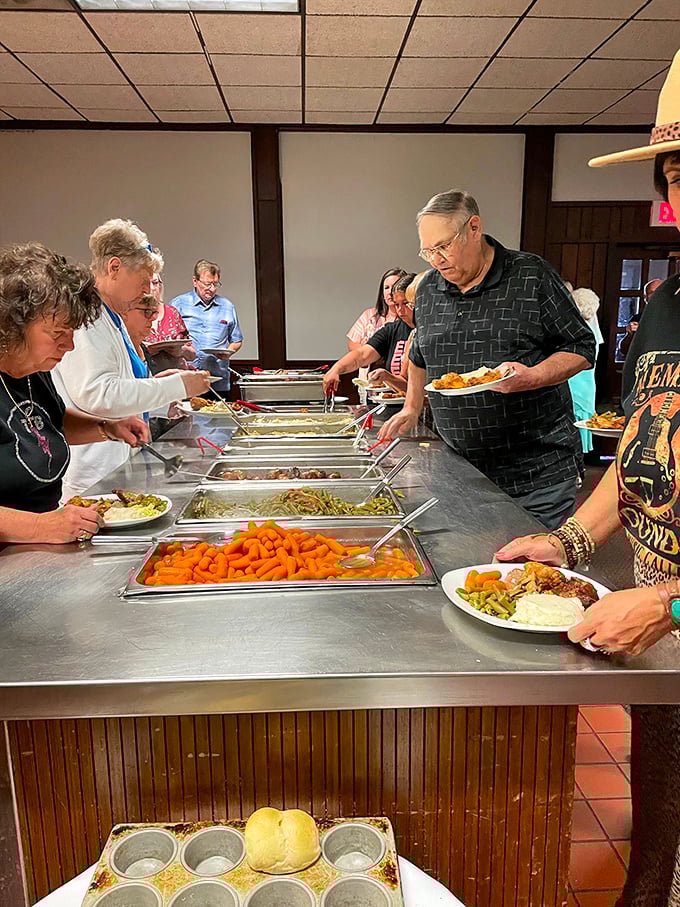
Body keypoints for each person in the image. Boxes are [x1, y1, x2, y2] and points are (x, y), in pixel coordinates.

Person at [496, 51, 680, 907]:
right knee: (658, 826)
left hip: (668, 610)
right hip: (657, 631)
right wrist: (568, 537)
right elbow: (644, 443)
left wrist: (673, 601)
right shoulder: (669, 301)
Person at [378, 189, 596, 530]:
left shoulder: (530, 275)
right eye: (428, 251)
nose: (436, 260)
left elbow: (582, 347)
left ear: (474, 228)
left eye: (444, 246)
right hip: (460, 473)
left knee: (531, 576)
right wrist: (411, 407)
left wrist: (534, 376)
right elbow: (420, 354)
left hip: (535, 476)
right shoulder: (430, 289)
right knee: (473, 573)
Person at [0, 243, 147, 544]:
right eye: (57, 334)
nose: (69, 346)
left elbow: (48, 423)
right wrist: (40, 528)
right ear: (11, 326)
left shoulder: (34, 371)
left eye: (72, 332)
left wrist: (106, 427)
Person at [53, 219, 210, 499]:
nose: (147, 291)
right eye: (143, 281)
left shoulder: (112, 318)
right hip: (91, 473)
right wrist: (178, 387)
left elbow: (124, 385)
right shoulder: (87, 319)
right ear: (114, 268)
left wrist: (162, 400)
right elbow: (98, 395)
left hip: (114, 462)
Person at [324, 273, 417, 397]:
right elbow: (362, 355)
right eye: (396, 304)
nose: (400, 310)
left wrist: (387, 377)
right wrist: (336, 369)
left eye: (406, 303)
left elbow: (416, 387)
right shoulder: (392, 329)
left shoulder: (427, 332)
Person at [169, 259, 243, 394]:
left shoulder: (227, 306)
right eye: (207, 284)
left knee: (216, 414)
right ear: (195, 281)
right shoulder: (178, 304)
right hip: (186, 378)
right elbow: (168, 337)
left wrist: (228, 352)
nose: (212, 289)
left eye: (216, 284)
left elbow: (237, 340)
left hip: (218, 380)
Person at [566, 285, 604, 456]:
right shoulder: (592, 330)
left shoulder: (579, 332)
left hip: (574, 382)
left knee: (574, 417)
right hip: (586, 385)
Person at [143, 270, 195, 374]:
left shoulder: (172, 312)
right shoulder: (132, 314)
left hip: (177, 378)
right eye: (147, 283)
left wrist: (181, 350)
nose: (152, 288)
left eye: (155, 283)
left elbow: (192, 355)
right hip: (148, 379)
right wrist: (145, 352)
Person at [620, 277, 665, 360]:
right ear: (645, 297)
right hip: (643, 366)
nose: (657, 296)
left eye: (661, 292)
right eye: (652, 292)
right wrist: (630, 335)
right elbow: (624, 350)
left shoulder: (675, 316)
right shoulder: (638, 318)